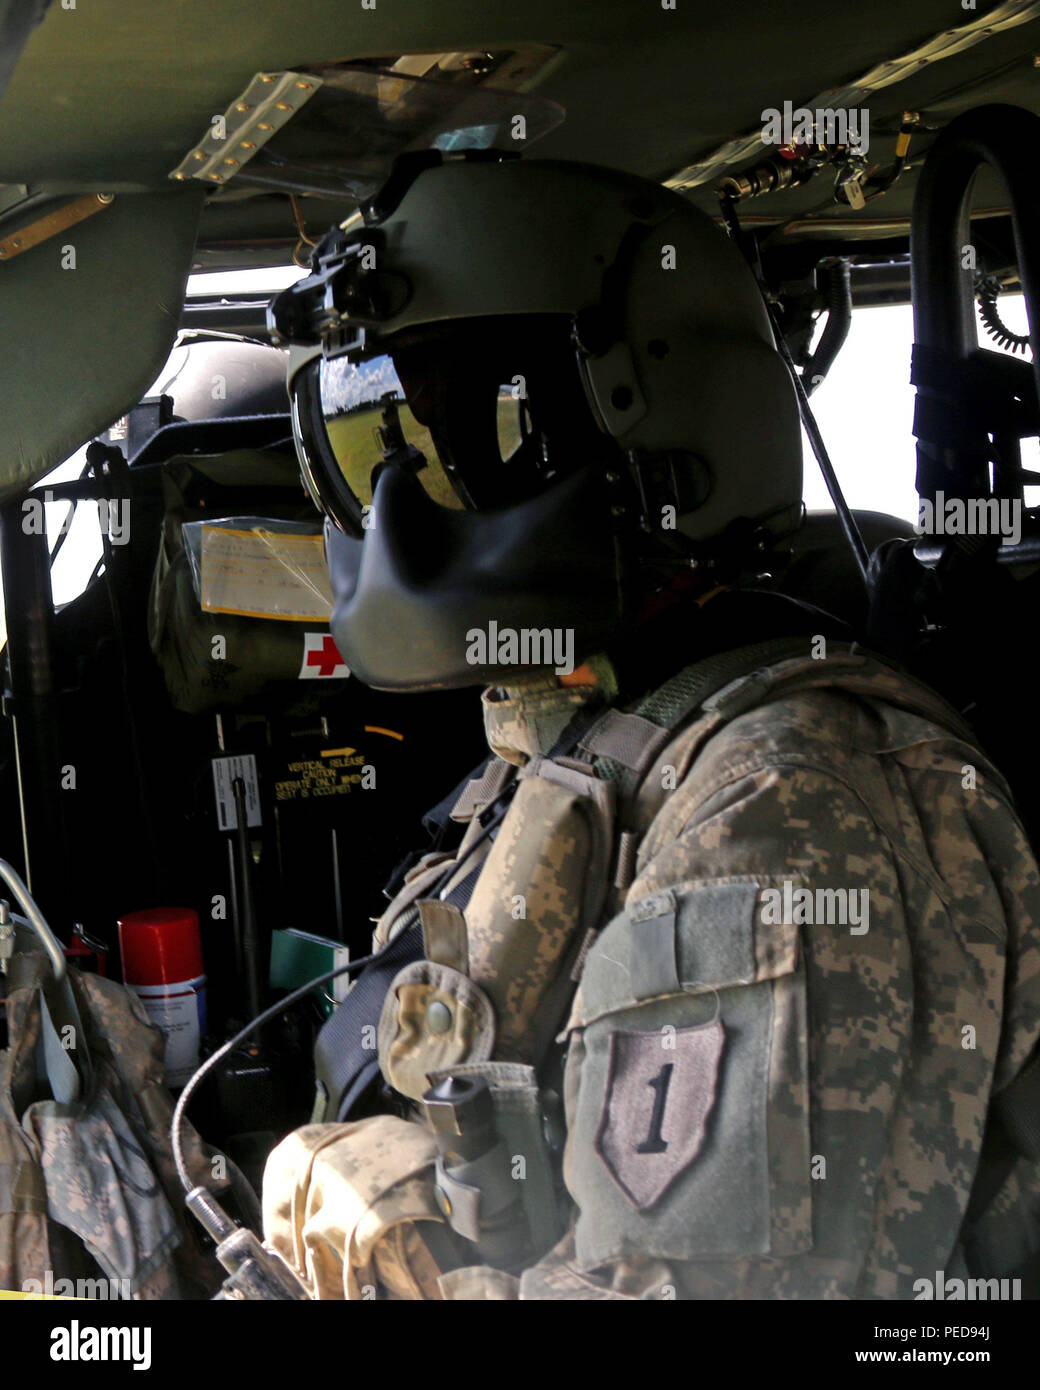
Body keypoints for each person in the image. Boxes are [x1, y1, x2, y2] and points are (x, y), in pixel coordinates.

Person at [260, 152, 1040, 1300]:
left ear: (653, 427)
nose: (401, 507)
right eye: (376, 442)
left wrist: (385, 1253)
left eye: (486, 438)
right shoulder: (599, 730)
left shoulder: (776, 809)